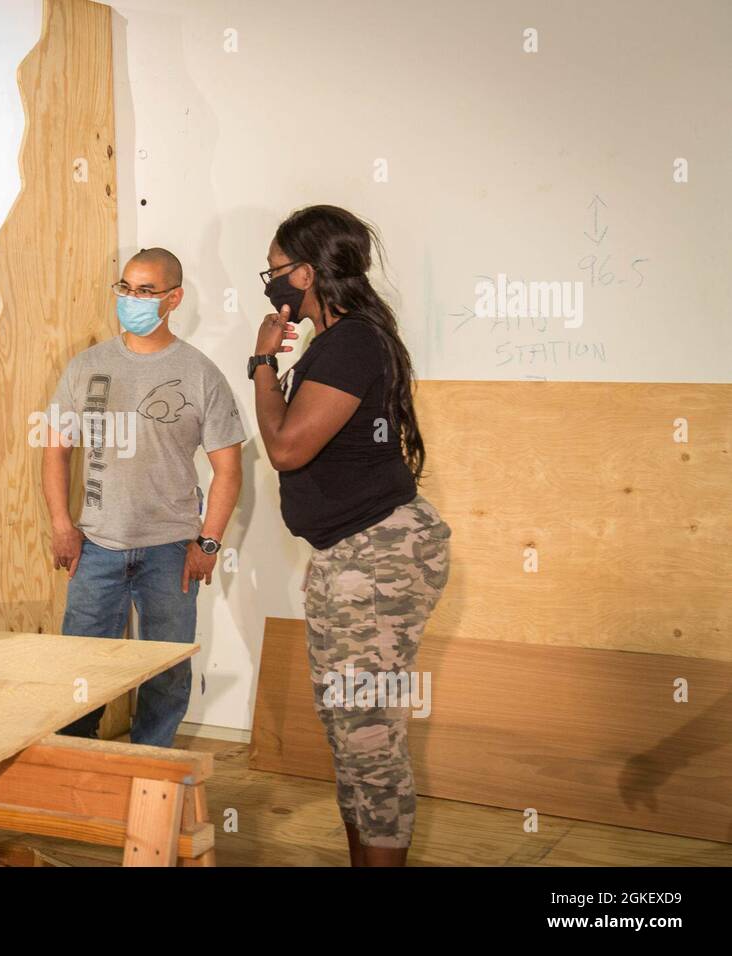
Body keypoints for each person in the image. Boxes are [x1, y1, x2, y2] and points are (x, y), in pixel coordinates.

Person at [248, 205, 452, 866]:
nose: (272, 285)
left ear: (307, 271)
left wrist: (259, 362)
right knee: (346, 730)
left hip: (380, 556)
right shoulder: (335, 343)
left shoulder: (352, 342)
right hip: (350, 554)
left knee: (369, 737)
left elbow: (286, 448)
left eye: (277, 272)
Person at [44, 248, 245, 747]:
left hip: (170, 550)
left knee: (166, 672)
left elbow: (229, 468)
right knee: (80, 670)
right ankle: (76, 768)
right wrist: (62, 525)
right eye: (126, 288)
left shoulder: (200, 373)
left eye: (147, 291)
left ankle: (149, 771)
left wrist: (210, 542)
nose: (132, 299)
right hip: (96, 548)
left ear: (173, 299)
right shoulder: (86, 367)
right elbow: (55, 451)